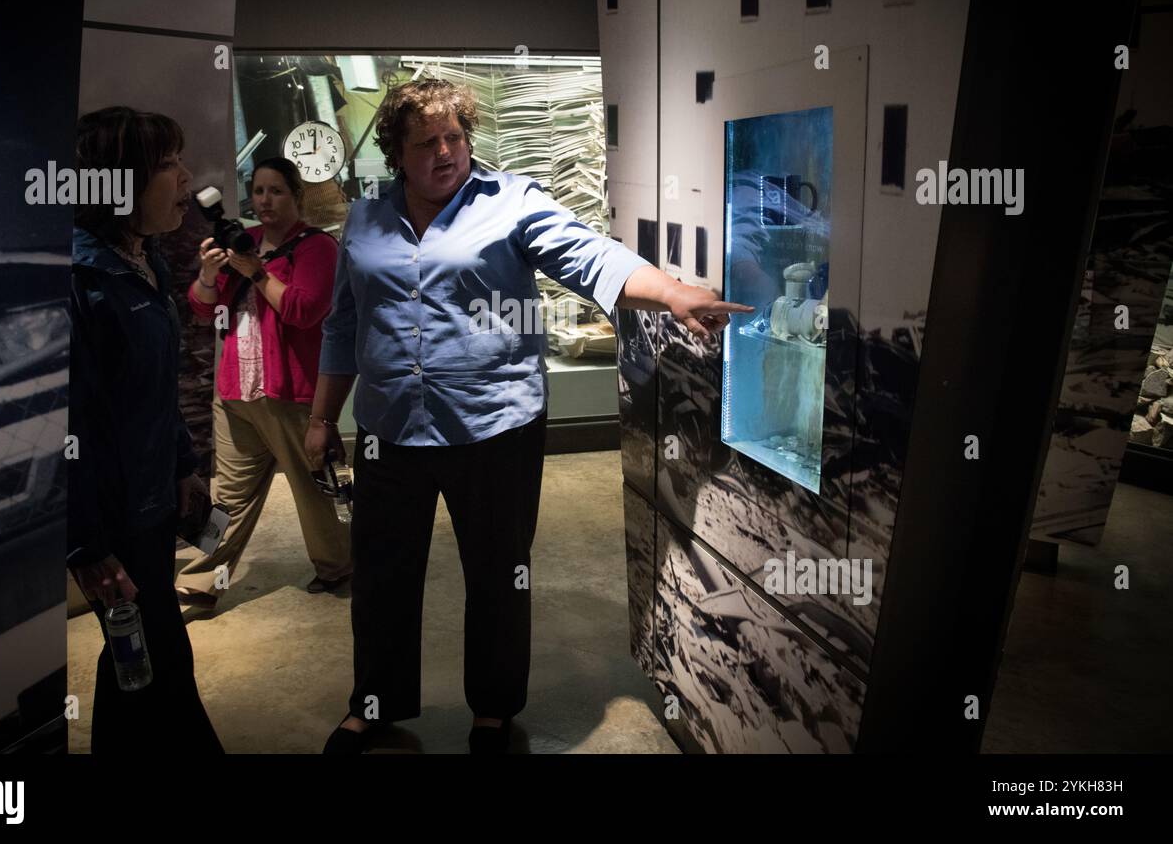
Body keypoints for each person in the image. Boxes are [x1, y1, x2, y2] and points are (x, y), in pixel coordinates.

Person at [307, 78, 750, 754]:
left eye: (456, 136)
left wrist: (672, 293)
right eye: (427, 142)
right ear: (396, 152)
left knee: (497, 572)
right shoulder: (365, 221)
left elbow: (592, 257)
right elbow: (343, 325)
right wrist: (321, 418)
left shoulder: (511, 202)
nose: (447, 151)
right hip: (389, 429)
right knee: (381, 573)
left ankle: (492, 710)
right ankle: (373, 703)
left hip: (494, 426)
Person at [67, 105, 223, 754]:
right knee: (155, 663)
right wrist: (87, 547)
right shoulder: (82, 282)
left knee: (141, 665)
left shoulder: (146, 260)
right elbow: (69, 428)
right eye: (166, 165)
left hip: (155, 508)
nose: (186, 177)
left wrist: (185, 464)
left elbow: (154, 396)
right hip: (115, 524)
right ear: (117, 183)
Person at [177, 157, 351, 608]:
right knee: (226, 496)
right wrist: (210, 275)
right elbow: (201, 309)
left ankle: (339, 566)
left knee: (313, 491)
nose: (265, 200)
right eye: (258, 191)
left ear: (296, 196)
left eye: (276, 191)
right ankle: (201, 582)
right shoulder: (243, 240)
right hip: (235, 390)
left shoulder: (317, 248)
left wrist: (256, 270)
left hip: (291, 393)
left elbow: (303, 310)